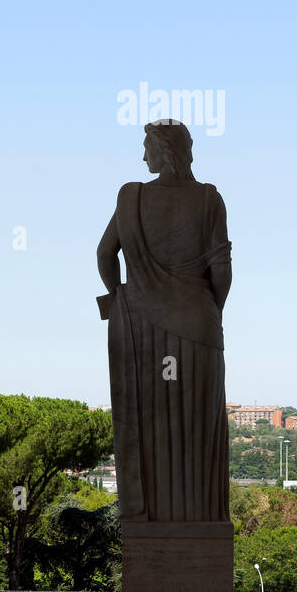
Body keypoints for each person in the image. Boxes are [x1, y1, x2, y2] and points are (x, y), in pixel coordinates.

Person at [97, 120, 232, 523]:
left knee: (148, 425)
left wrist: (126, 296)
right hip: (200, 330)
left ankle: (149, 521)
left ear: (165, 151)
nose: (143, 156)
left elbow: (105, 255)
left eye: (147, 148)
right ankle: (200, 518)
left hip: (140, 330)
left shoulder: (131, 197)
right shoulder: (210, 199)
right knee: (198, 431)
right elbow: (221, 272)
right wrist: (208, 312)